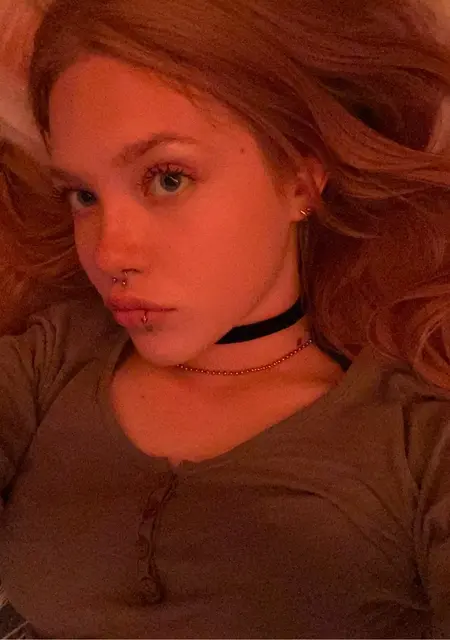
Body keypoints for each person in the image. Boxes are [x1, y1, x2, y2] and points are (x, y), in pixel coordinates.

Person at [0, 0, 450, 637]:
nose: (108, 253)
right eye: (84, 195)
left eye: (168, 179)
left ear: (300, 180)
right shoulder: (52, 359)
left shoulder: (416, 442)